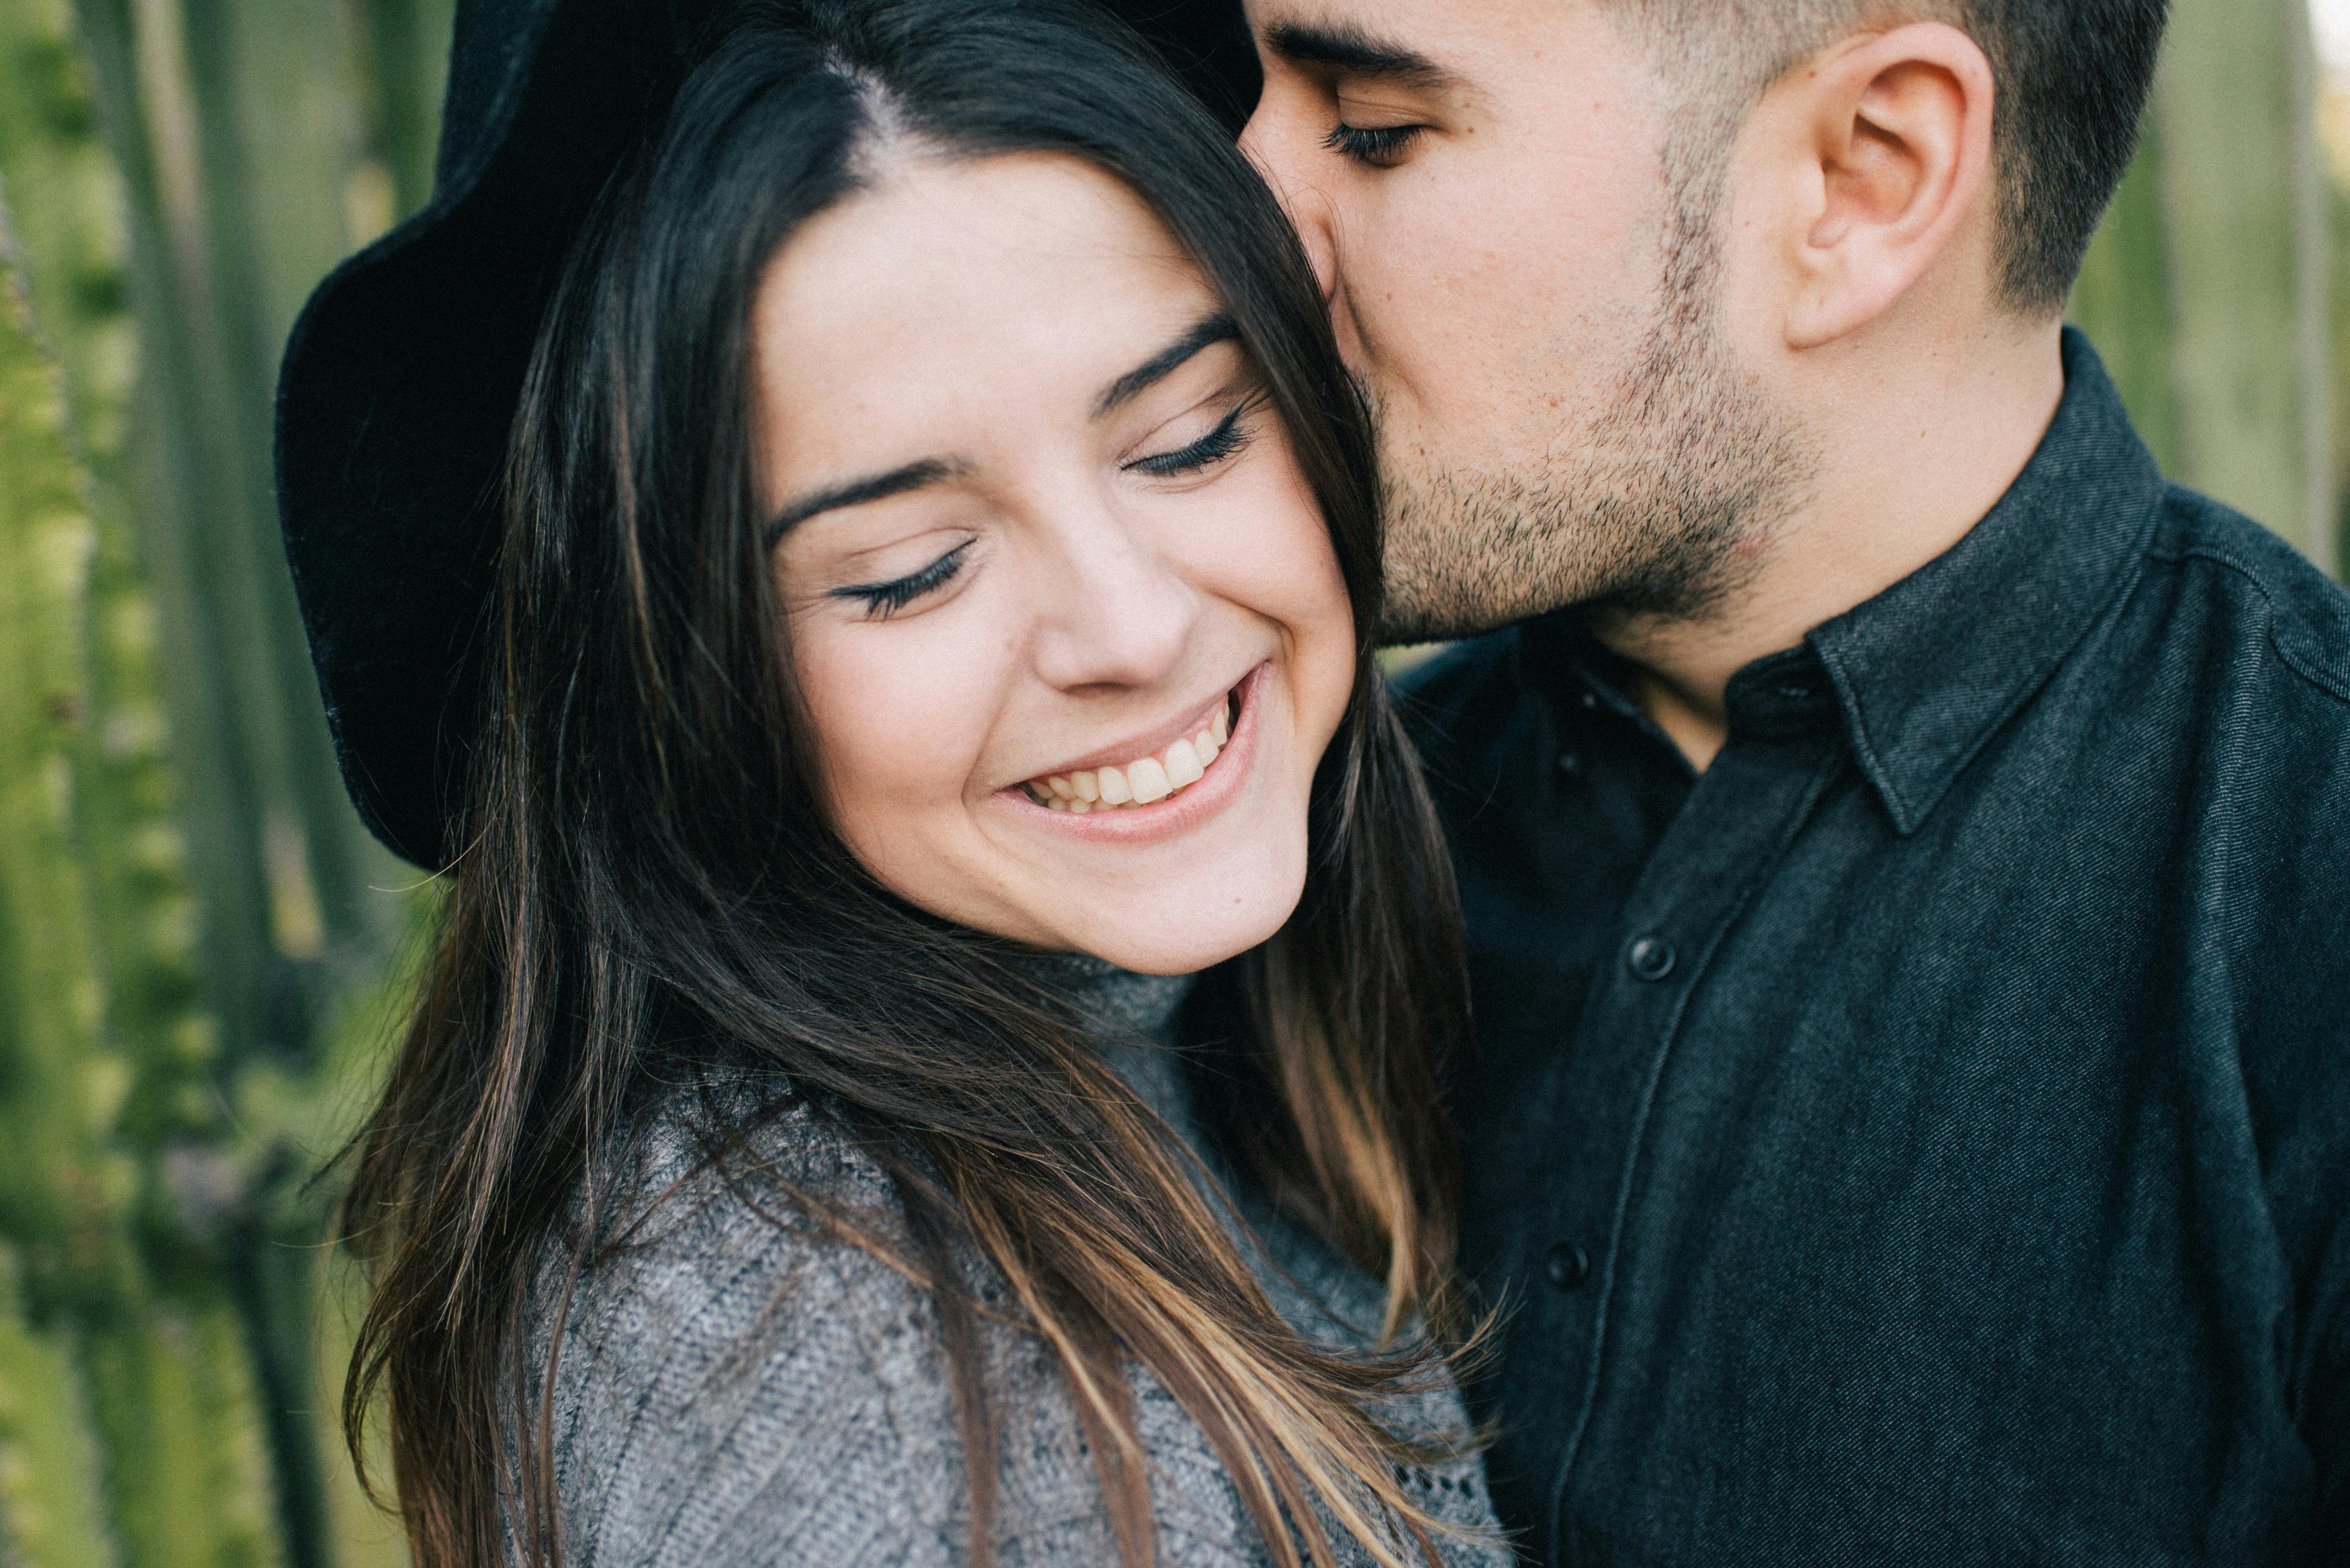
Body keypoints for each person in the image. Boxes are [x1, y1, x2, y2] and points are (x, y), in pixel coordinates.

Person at [275, 2, 1511, 1564]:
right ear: (681, 675)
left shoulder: (1212, 1045)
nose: (1130, 626)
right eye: (912, 571)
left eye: (1191, 441)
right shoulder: (869, 1396)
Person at [1228, 0, 2350, 1562]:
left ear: (1862, 174)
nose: (1236, 226)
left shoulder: (2305, 880)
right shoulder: (1270, 826)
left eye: (1373, 126)